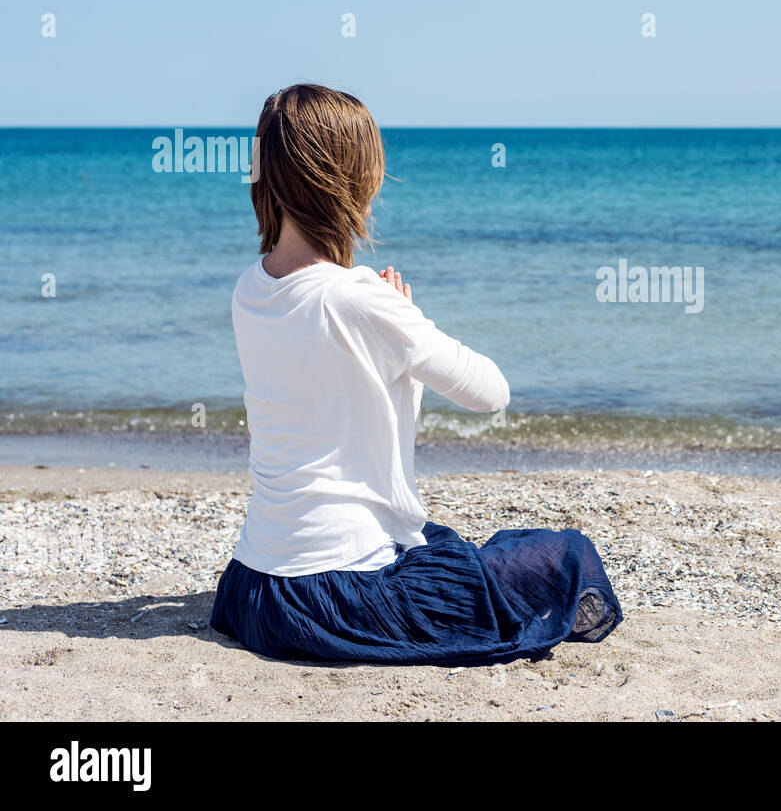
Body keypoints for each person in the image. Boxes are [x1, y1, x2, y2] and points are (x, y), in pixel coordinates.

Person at [209, 83, 622, 664]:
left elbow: (344, 406)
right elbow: (490, 392)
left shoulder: (250, 287)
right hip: (335, 593)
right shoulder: (359, 299)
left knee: (462, 550)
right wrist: (407, 324)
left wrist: (396, 352)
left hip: (255, 589)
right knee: (565, 555)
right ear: (348, 178)